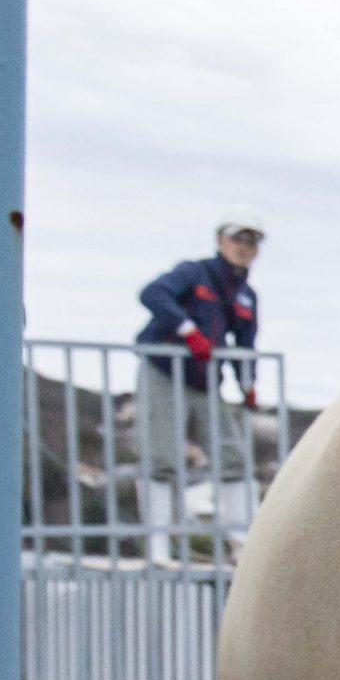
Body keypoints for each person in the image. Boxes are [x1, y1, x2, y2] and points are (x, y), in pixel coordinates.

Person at [133, 212, 265, 559]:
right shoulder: (194, 273)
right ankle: (158, 546)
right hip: (165, 371)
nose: (244, 248)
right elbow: (153, 294)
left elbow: (245, 345)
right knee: (162, 457)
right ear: (221, 241)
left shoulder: (246, 295)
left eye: (251, 242)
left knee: (232, 456)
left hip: (206, 381)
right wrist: (187, 330)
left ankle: (242, 543)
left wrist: (248, 384)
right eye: (237, 239)